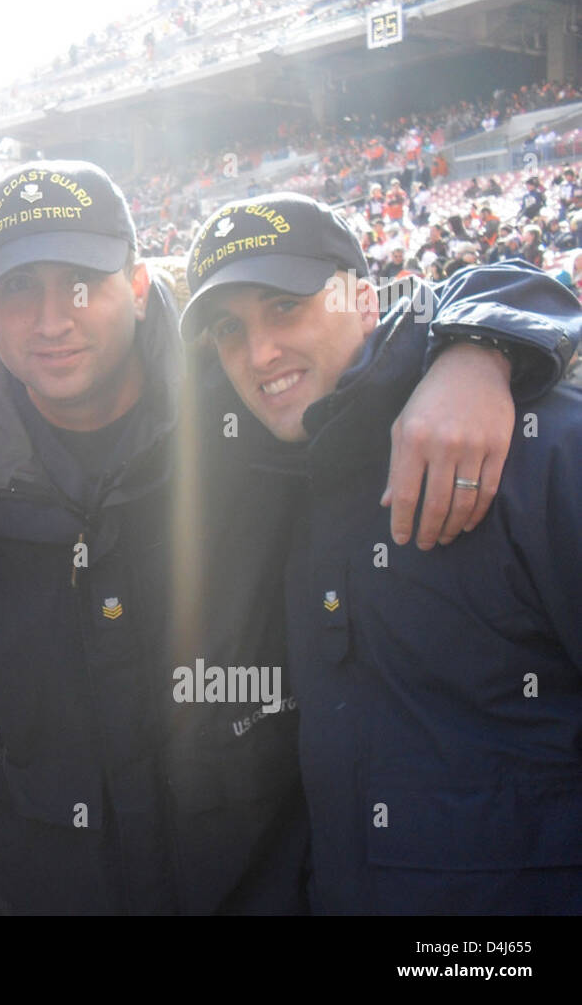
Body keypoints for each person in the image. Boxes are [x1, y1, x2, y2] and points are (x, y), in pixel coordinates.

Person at [0, 163, 577, 915]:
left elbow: (408, 326)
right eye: (20, 288)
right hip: (40, 882)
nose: (53, 317)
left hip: (255, 880)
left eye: (82, 281)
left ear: (135, 282)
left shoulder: (237, 406)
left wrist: (477, 352)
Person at [179, 192, 582, 914]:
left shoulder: (538, 446)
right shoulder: (265, 468)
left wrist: (480, 347)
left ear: (365, 300)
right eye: (229, 329)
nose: (260, 352)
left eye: (283, 307)